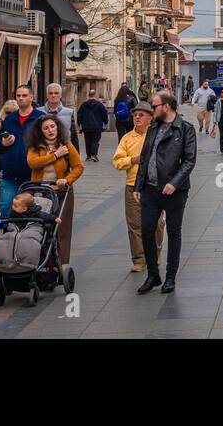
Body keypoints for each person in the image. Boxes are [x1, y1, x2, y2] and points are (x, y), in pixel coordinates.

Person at [134, 94, 196, 294]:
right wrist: (138, 185)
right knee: (146, 229)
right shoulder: (153, 127)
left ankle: (170, 277)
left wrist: (174, 183)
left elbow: (189, 160)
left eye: (155, 106)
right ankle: (153, 275)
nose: (153, 110)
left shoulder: (185, 129)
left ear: (167, 107)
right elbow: (145, 157)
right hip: (150, 189)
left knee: (174, 232)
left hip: (174, 191)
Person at [112, 101, 165, 272]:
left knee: (156, 223)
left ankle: (156, 254)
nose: (137, 117)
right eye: (135, 115)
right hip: (132, 186)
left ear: (151, 117)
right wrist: (132, 160)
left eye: (141, 114)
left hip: (154, 185)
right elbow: (117, 162)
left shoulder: (158, 135)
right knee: (134, 224)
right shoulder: (127, 138)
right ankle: (139, 259)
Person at [25, 115, 84, 265]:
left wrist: (67, 180)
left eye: (52, 126)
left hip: (61, 192)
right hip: (41, 193)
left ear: (58, 127)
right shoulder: (36, 146)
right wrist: (55, 155)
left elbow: (78, 167)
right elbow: (32, 163)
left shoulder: (66, 145)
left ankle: (61, 264)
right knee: (41, 226)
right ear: (41, 131)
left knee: (61, 229)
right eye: (46, 128)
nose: (50, 130)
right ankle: (42, 261)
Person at [0, 86, 45, 212]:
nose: (21, 98)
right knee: (5, 208)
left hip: (31, 173)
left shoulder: (40, 118)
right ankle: (8, 231)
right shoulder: (10, 119)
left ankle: (24, 231)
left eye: (24, 95)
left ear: (31, 98)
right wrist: (3, 143)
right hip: (10, 173)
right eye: (18, 96)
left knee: (27, 210)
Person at [77, 89, 109, 162]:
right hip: (97, 126)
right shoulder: (99, 105)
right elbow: (104, 114)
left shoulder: (84, 105)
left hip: (86, 126)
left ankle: (88, 156)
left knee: (87, 141)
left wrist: (79, 124)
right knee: (95, 141)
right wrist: (106, 122)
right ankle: (94, 155)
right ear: (95, 95)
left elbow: (79, 115)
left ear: (89, 95)